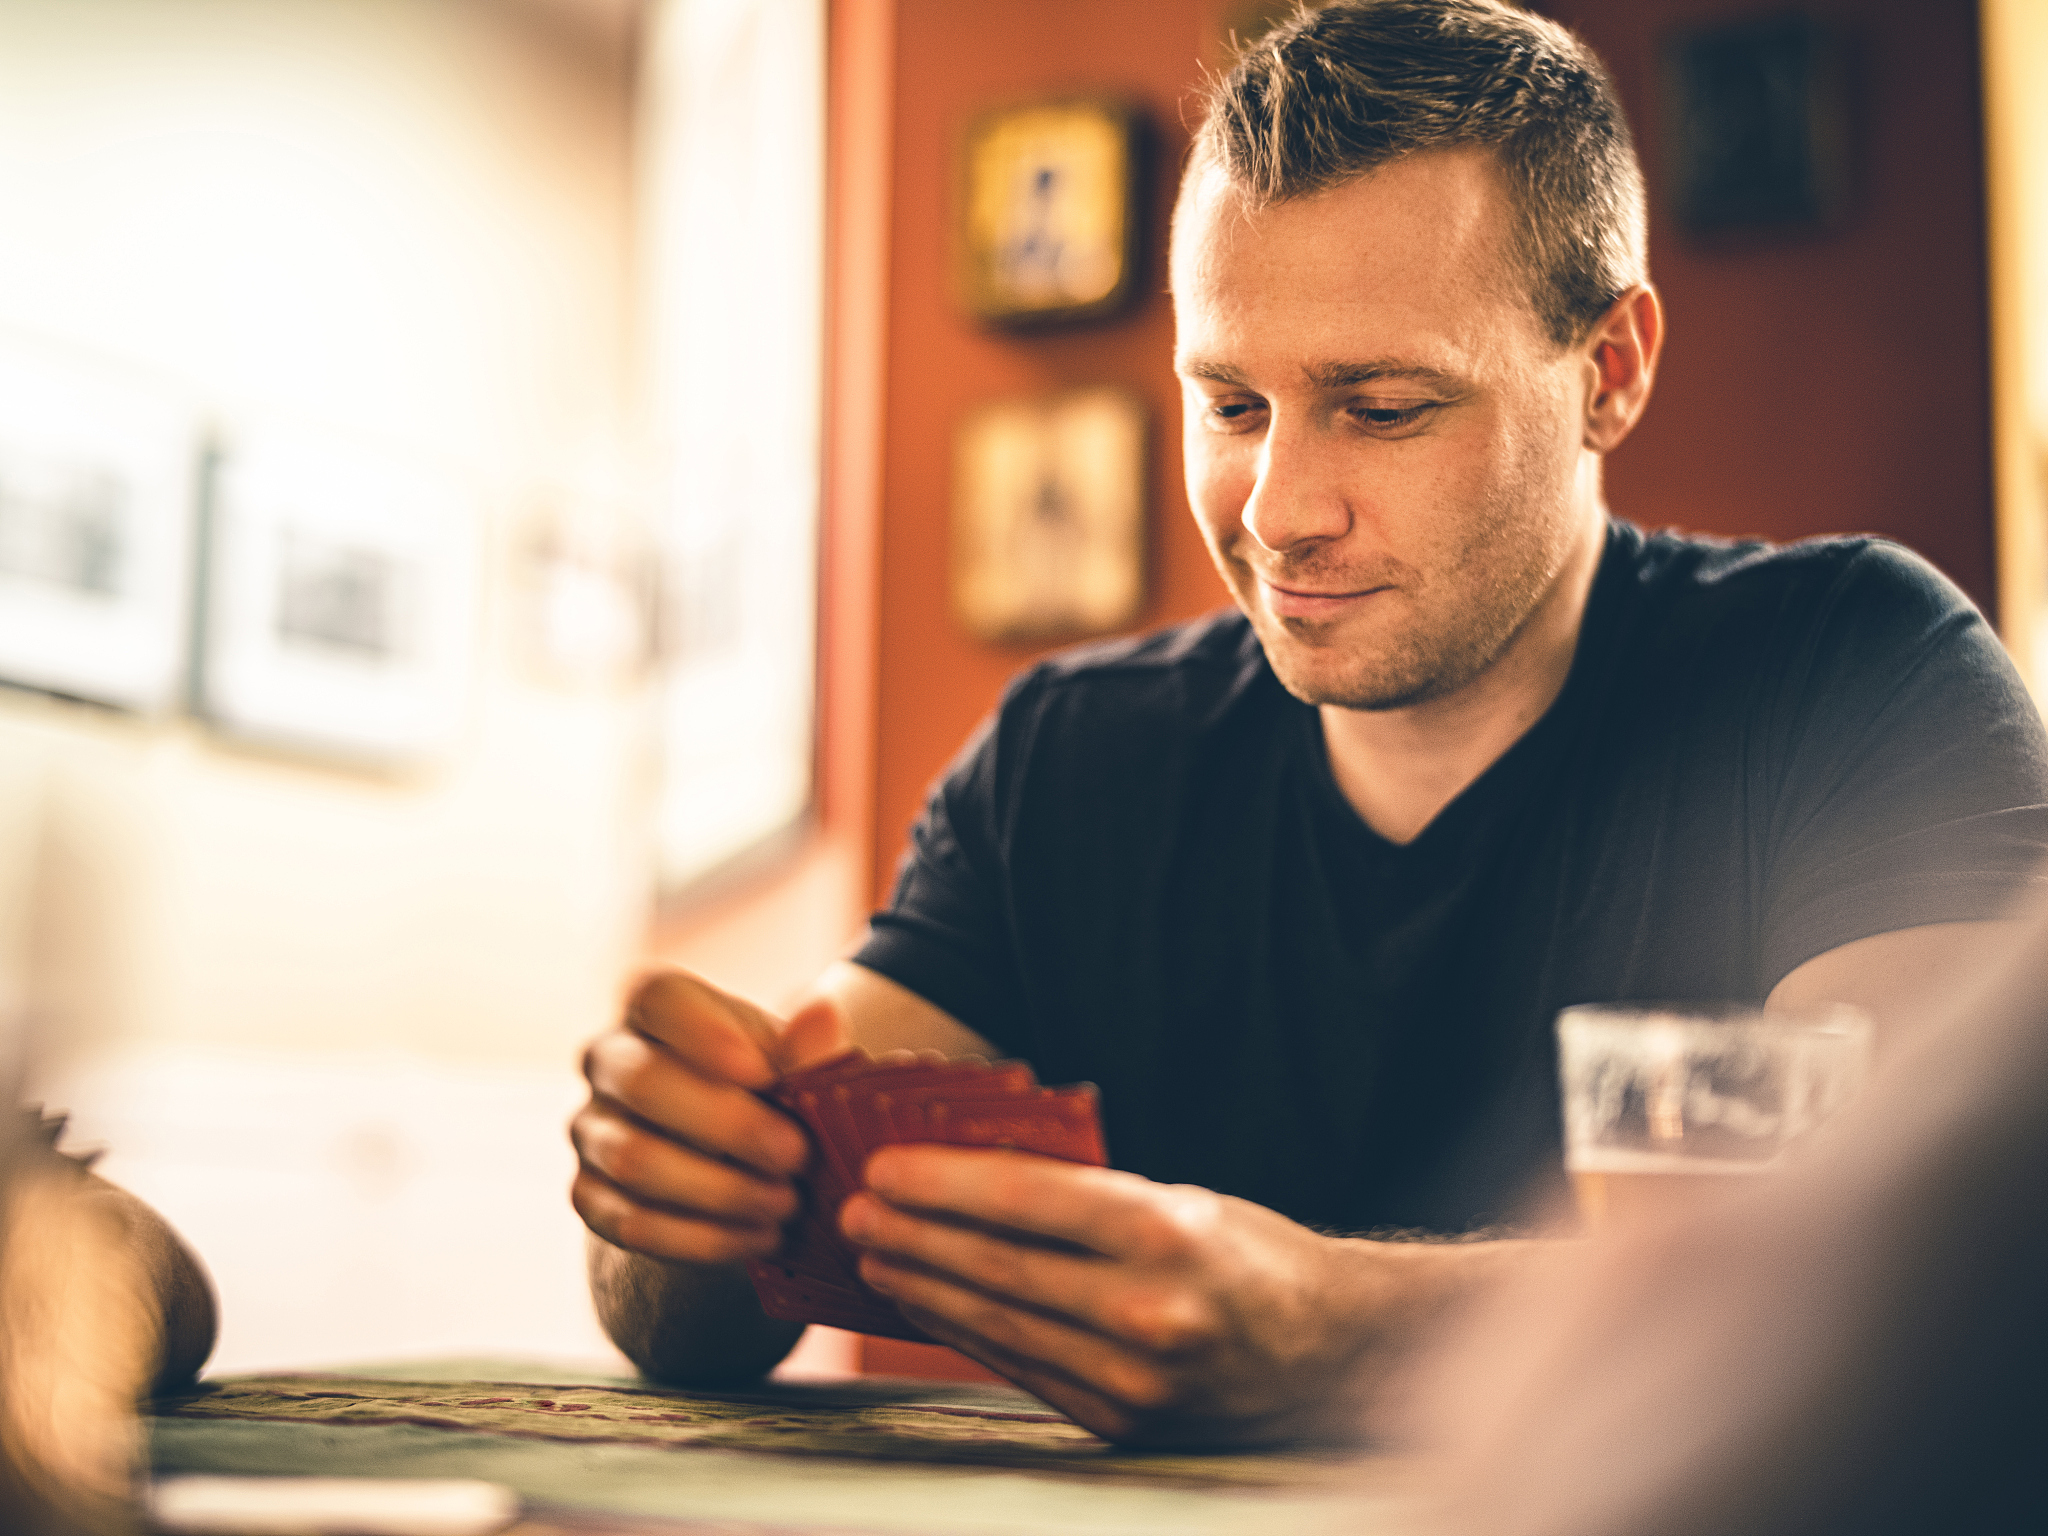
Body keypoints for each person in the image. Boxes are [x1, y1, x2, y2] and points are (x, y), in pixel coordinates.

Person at [570, 0, 2048, 1446]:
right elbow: (696, 1314)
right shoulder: (1070, 763)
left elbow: (1968, 1279)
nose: (1278, 514)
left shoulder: (1855, 675)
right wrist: (684, 1190)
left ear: (1610, 370)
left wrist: (1337, 1330)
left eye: (1384, 407)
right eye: (1230, 405)